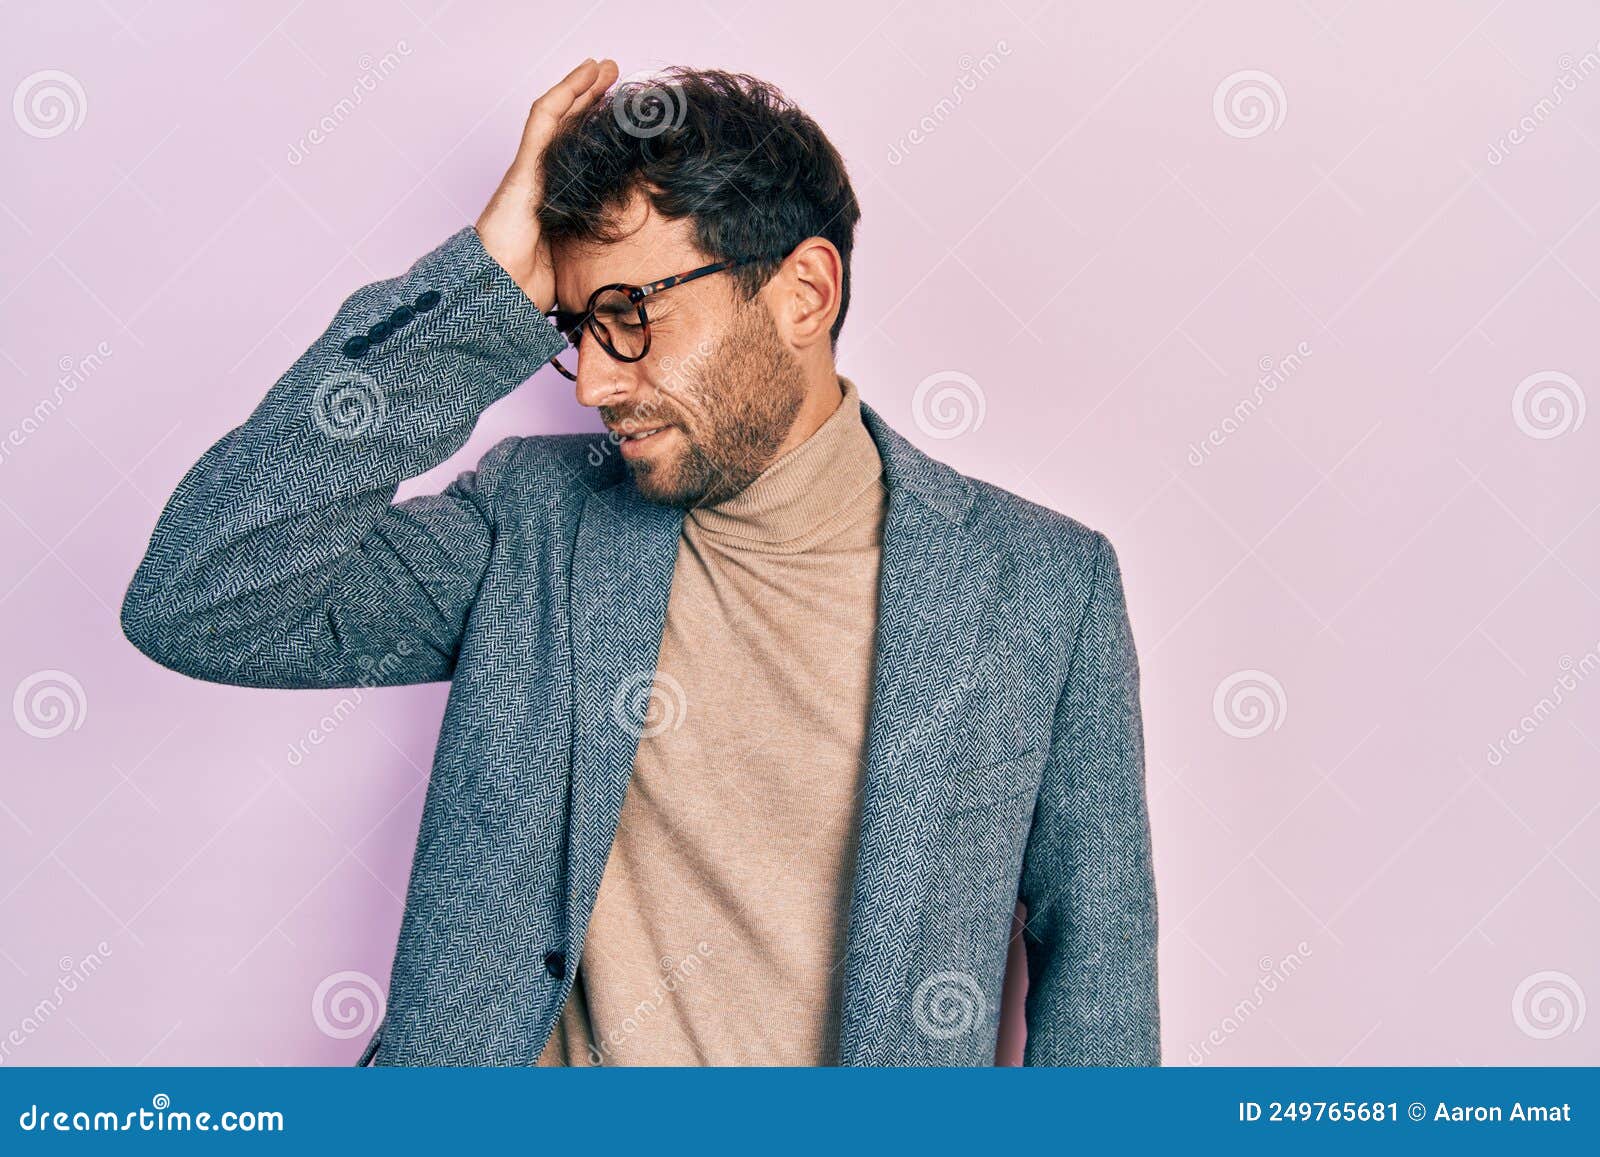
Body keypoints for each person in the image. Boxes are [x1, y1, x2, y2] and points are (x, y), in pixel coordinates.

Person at [120, 59, 1160, 1066]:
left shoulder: (1041, 585)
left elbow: (1097, 960)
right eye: (578, 328)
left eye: (633, 317)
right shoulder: (529, 521)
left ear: (802, 292)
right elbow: (201, 600)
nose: (590, 385)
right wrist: (476, 298)